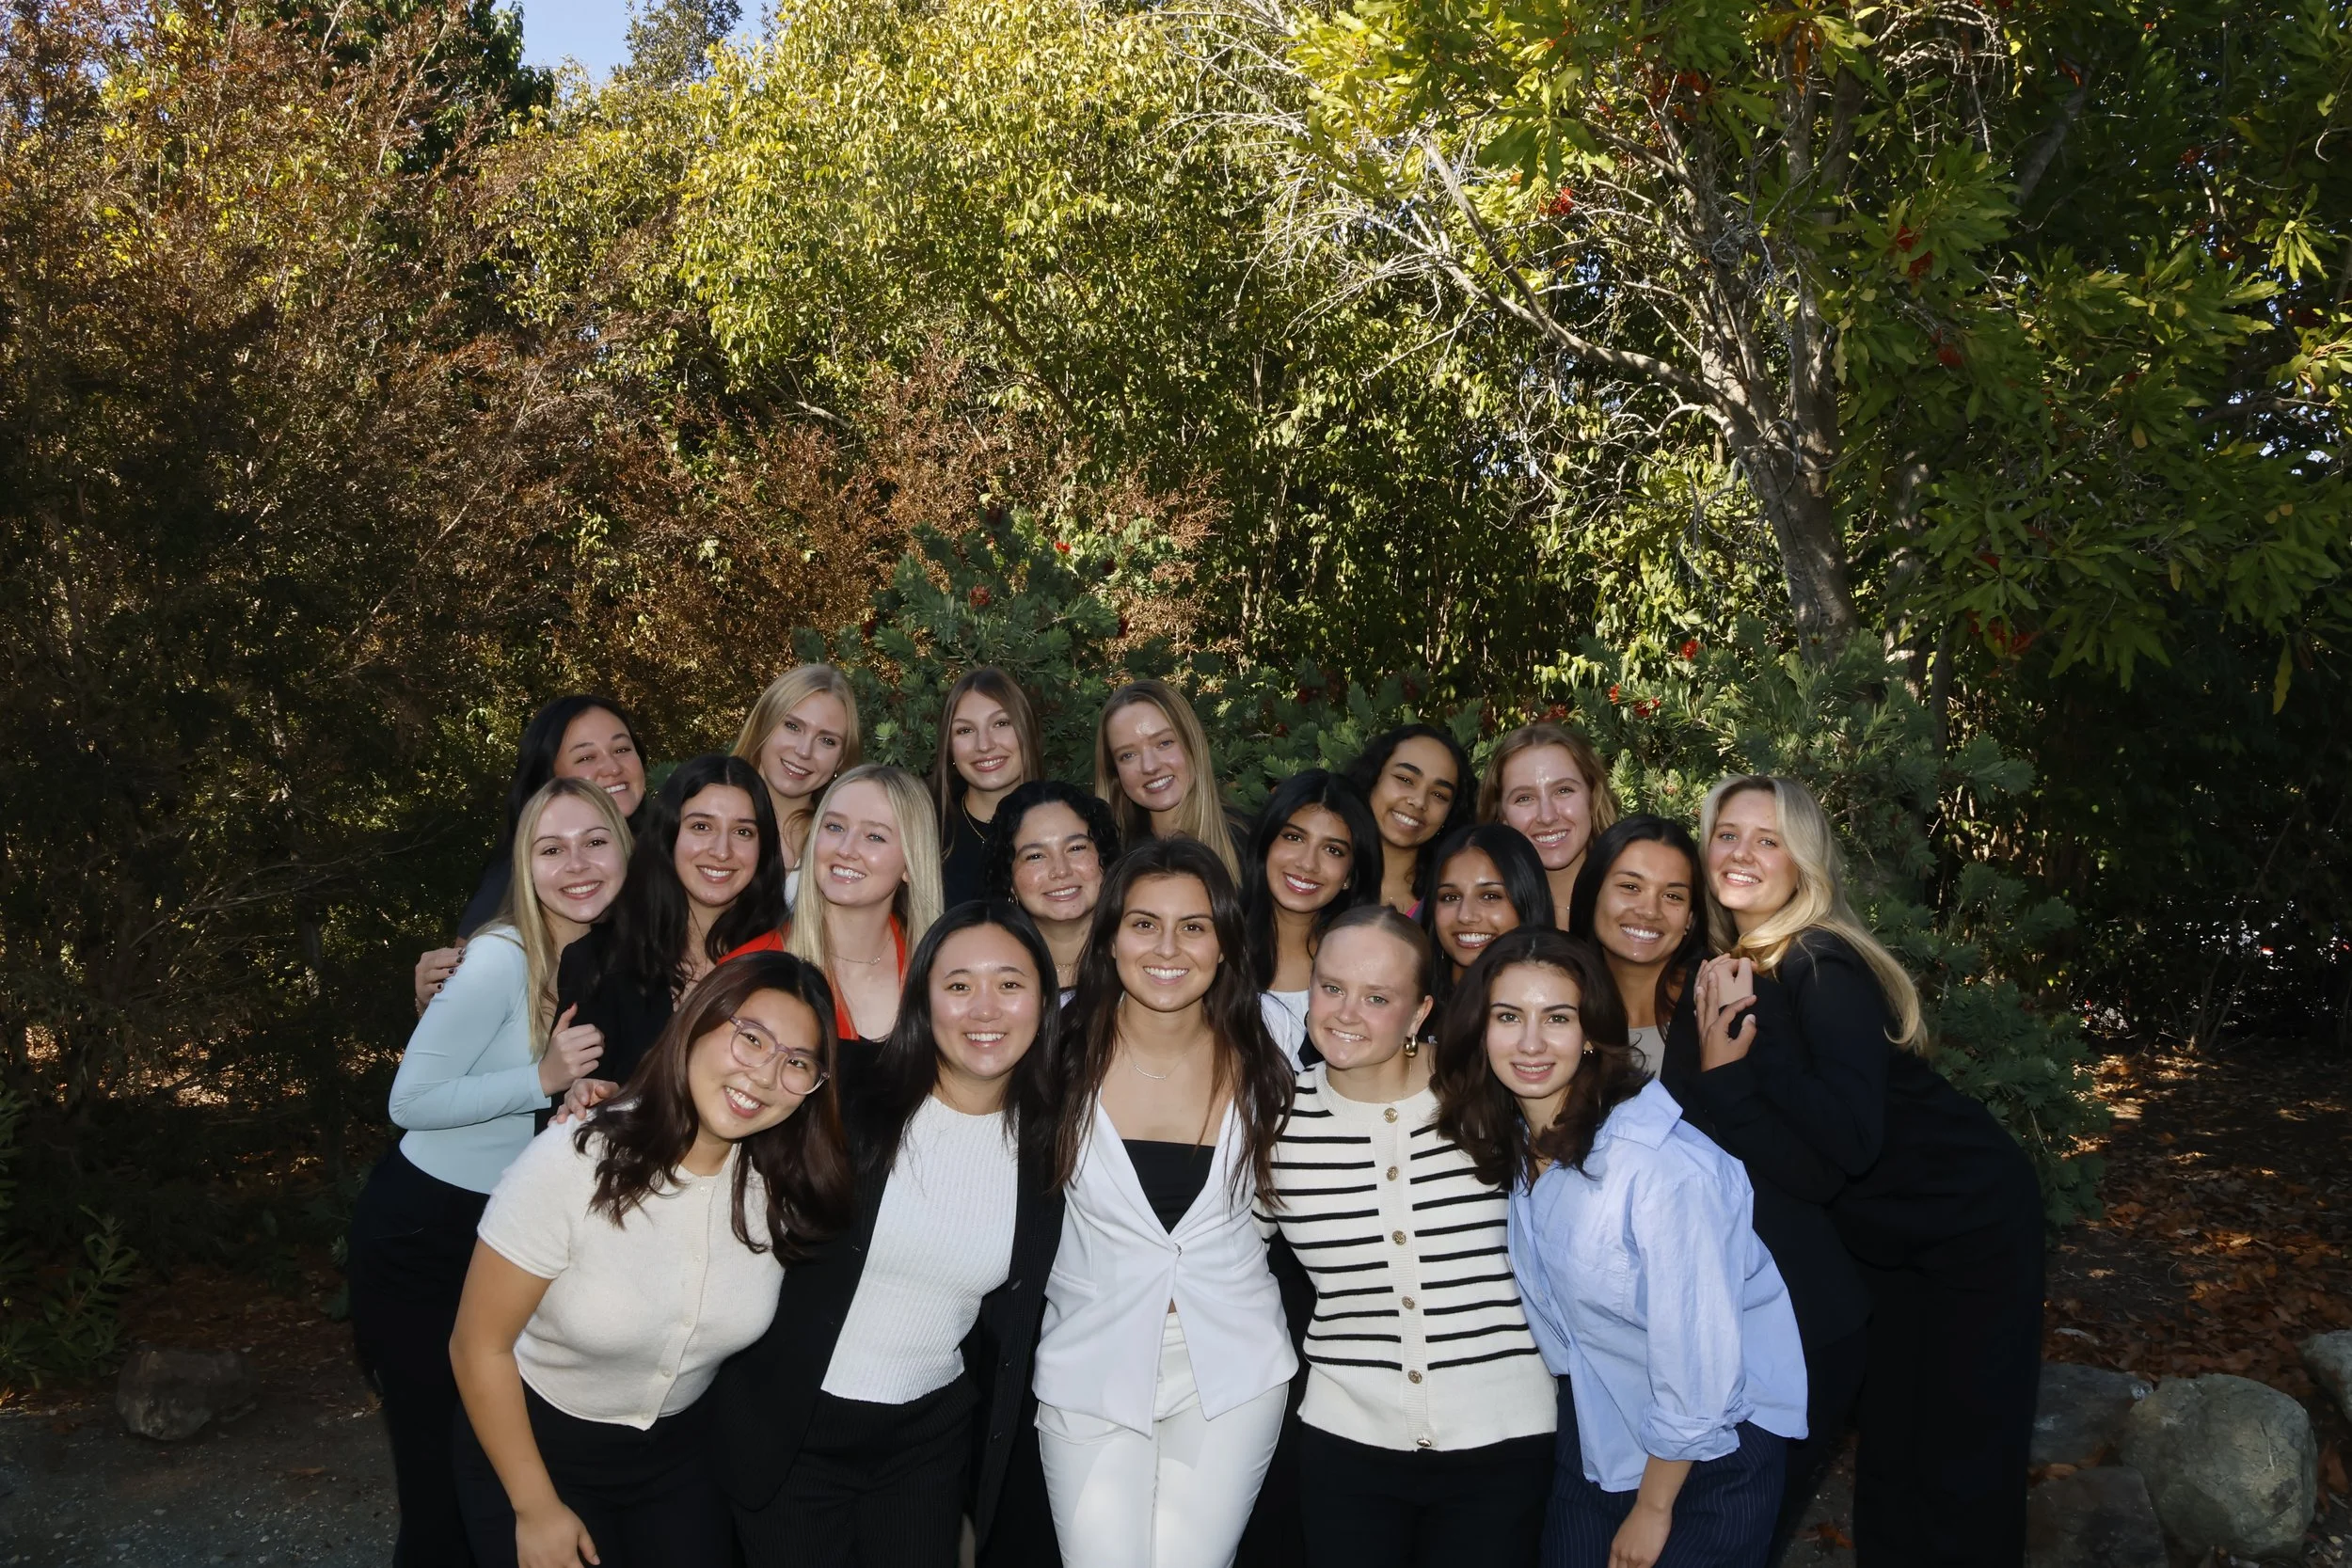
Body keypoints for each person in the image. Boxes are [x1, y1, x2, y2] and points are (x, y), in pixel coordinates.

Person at [1692, 775, 2042, 1567]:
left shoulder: (1821, 962)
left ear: (1803, 863)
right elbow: (1813, 1168)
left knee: (1962, 1459)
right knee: (1891, 1449)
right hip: (1888, 1234)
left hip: (1969, 1220)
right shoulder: (1746, 963)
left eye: (1768, 838)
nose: (1743, 851)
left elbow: (1849, 1139)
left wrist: (1733, 1068)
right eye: (1727, 834)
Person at [448, 953, 857, 1568]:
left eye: (795, 1062)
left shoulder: (781, 1190)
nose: (765, 1074)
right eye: (750, 1038)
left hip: (677, 1463)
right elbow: (477, 1345)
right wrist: (535, 1509)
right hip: (532, 1450)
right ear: (696, 1024)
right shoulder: (574, 1159)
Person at [1436, 927, 1806, 1568]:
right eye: (1507, 1016)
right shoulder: (1525, 1141)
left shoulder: (1659, 1166)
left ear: (1590, 1034)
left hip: (1715, 1442)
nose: (1529, 1041)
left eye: (1556, 1017)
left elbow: (1698, 1365)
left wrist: (1655, 1506)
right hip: (1603, 1421)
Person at [713, 903, 1067, 1567]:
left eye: (1010, 984)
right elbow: (713, 1107)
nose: (984, 1009)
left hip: (927, 1443)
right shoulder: (844, 1087)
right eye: (958, 985)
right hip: (792, 1433)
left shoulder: (1056, 1141)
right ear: (923, 999)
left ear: (1044, 1001)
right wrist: (607, 1103)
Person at [350, 779, 631, 1568]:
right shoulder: (502, 958)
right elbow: (411, 1098)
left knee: (492, 1471)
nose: (576, 863)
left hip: (494, 1234)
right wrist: (541, 1079)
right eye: (551, 848)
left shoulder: (594, 959)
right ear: (525, 864)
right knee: (440, 1484)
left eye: (594, 841)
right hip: (418, 1235)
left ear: (625, 848)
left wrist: (573, 1092)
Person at [1571, 816, 1868, 1554]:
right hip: (1619, 1349)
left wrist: (1722, 1073)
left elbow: (1821, 1168)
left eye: (1674, 894)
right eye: (1629, 886)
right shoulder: (1547, 1005)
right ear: (1591, 891)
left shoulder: (1735, 995)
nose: (1649, 909)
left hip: (1773, 1331)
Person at [1262, 906, 1555, 1568]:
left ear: (1420, 1012)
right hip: (1347, 1443)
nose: (1345, 1012)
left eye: (1377, 997)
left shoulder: (1487, 1098)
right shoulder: (1272, 1119)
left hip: (1503, 1439)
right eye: (1331, 987)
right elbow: (1226, 1253)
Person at [1032, 837, 1297, 1568]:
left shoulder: (1275, 1038)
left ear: (1224, 943)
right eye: (1144, 922)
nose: (1168, 946)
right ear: (1110, 936)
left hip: (1232, 1369)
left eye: (1194, 925)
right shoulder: (1052, 1043)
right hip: (1091, 1363)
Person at [554, 754, 787, 1114]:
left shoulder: (784, 961)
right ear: (669, 834)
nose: (721, 850)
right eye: (701, 826)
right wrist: (586, 1094)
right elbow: (574, 1096)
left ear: (763, 848)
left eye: (743, 832)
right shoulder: (595, 961)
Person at [413, 696, 648, 1014]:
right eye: (585, 758)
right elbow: (453, 1010)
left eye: (622, 749)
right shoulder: (521, 873)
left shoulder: (670, 855)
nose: (612, 767)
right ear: (549, 779)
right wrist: (431, 994)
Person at [770, 764, 945, 1049]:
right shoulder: (755, 966)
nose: (846, 849)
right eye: (834, 827)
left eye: (874, 836)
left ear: (911, 863)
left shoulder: (942, 974)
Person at [1240, 768, 1381, 1068]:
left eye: (1332, 850)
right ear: (1266, 846)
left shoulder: (1372, 971)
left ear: (1349, 876)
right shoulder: (1214, 950)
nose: (1307, 863)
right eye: (1294, 837)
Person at [733, 664, 861, 908]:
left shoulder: (844, 848)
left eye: (827, 740)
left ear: (842, 758)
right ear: (764, 725)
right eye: (792, 726)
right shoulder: (698, 818)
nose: (804, 751)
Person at [986, 779, 1122, 998]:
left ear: (1104, 859)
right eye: (1035, 856)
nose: (1061, 870)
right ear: (1008, 878)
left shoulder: (1141, 960)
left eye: (1076, 848)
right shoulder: (988, 972)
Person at [1093, 678, 1243, 878]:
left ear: (1192, 743)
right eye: (1128, 755)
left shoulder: (1254, 847)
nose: (1150, 766)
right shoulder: (1105, 862)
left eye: (1164, 743)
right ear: (1114, 772)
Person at [1477, 723, 1617, 926]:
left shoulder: (1635, 907)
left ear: (1593, 797)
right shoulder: (1484, 919)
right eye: (1524, 798)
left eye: (1563, 790)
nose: (1547, 816)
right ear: (1501, 815)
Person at [933, 668, 1046, 910]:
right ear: (949, 747)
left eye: (1001, 723)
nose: (984, 745)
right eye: (965, 730)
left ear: (1027, 731)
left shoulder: (1072, 827)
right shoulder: (929, 836)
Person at [1343, 724, 1474, 915]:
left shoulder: (1451, 905)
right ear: (1372, 779)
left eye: (1439, 794)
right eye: (1405, 780)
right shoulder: (1321, 877)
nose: (1419, 801)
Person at [1417, 823, 1555, 996]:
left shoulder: (1564, 1004)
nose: (1465, 916)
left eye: (1490, 896)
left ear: (1528, 901)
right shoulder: (1411, 1005)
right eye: (1451, 897)